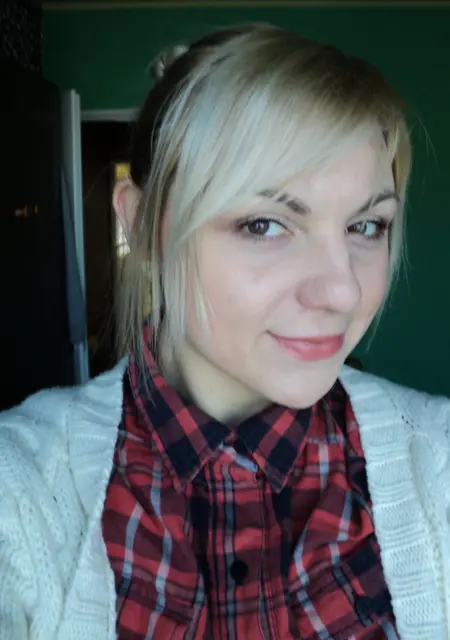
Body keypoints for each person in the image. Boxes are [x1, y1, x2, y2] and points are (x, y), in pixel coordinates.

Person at [1, 23, 449, 640]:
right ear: (142, 226)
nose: (343, 292)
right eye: (264, 224)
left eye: (366, 226)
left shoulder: (438, 463)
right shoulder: (18, 492)